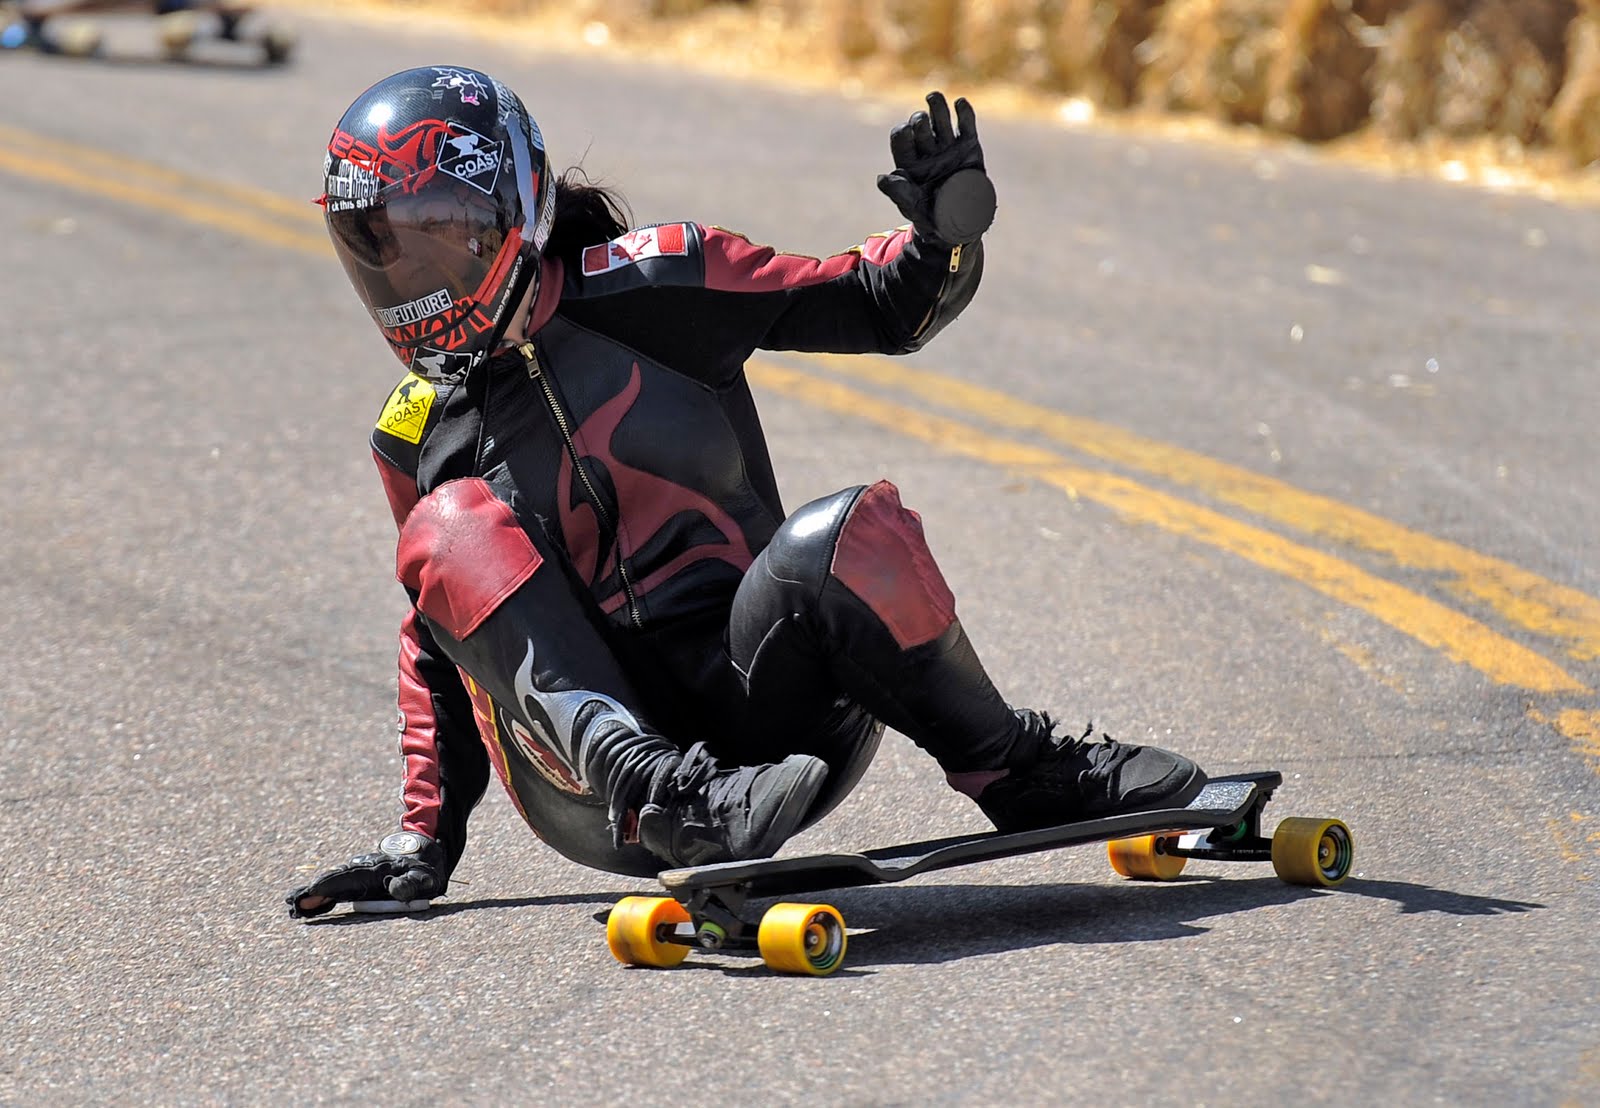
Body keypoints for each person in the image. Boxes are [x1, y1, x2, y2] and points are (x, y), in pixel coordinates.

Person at [287, 65, 1206, 919]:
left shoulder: (666, 277)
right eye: (385, 254)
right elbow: (437, 636)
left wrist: (941, 238)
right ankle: (669, 794)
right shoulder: (413, 432)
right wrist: (421, 838)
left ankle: (1016, 767)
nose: (414, 284)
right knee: (447, 530)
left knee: (851, 528)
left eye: (439, 239)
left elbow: (877, 303)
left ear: (513, 208)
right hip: (603, 793)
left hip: (780, 727)